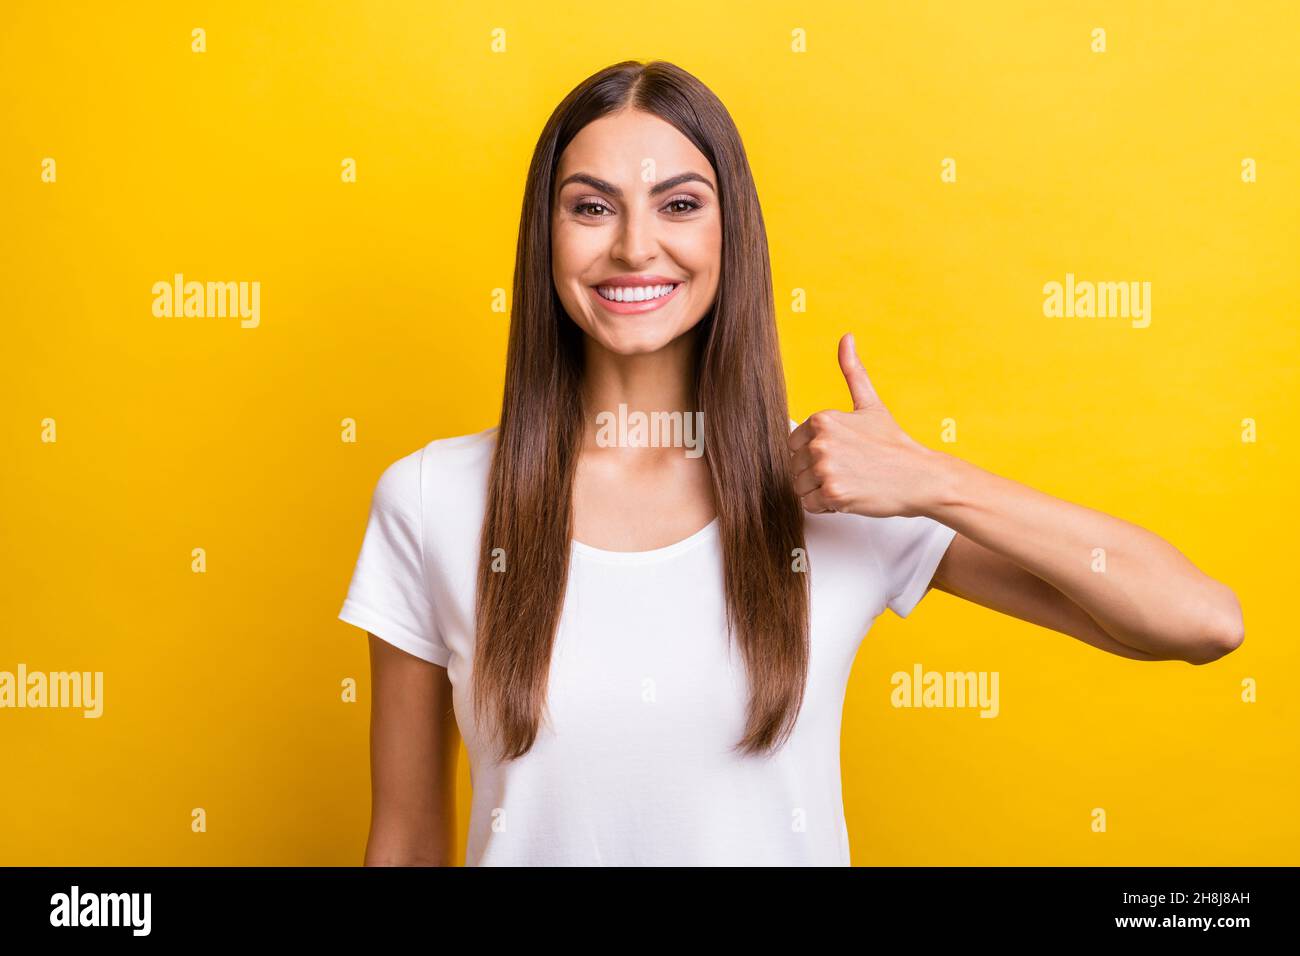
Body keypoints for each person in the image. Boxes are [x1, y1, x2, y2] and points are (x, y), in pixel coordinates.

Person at [338, 60, 1244, 867]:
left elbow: (1199, 622)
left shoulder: (839, 489)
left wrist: (934, 482)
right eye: (592, 205)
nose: (634, 246)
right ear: (547, 237)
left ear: (733, 237)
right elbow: (410, 839)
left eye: (680, 204)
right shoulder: (432, 500)